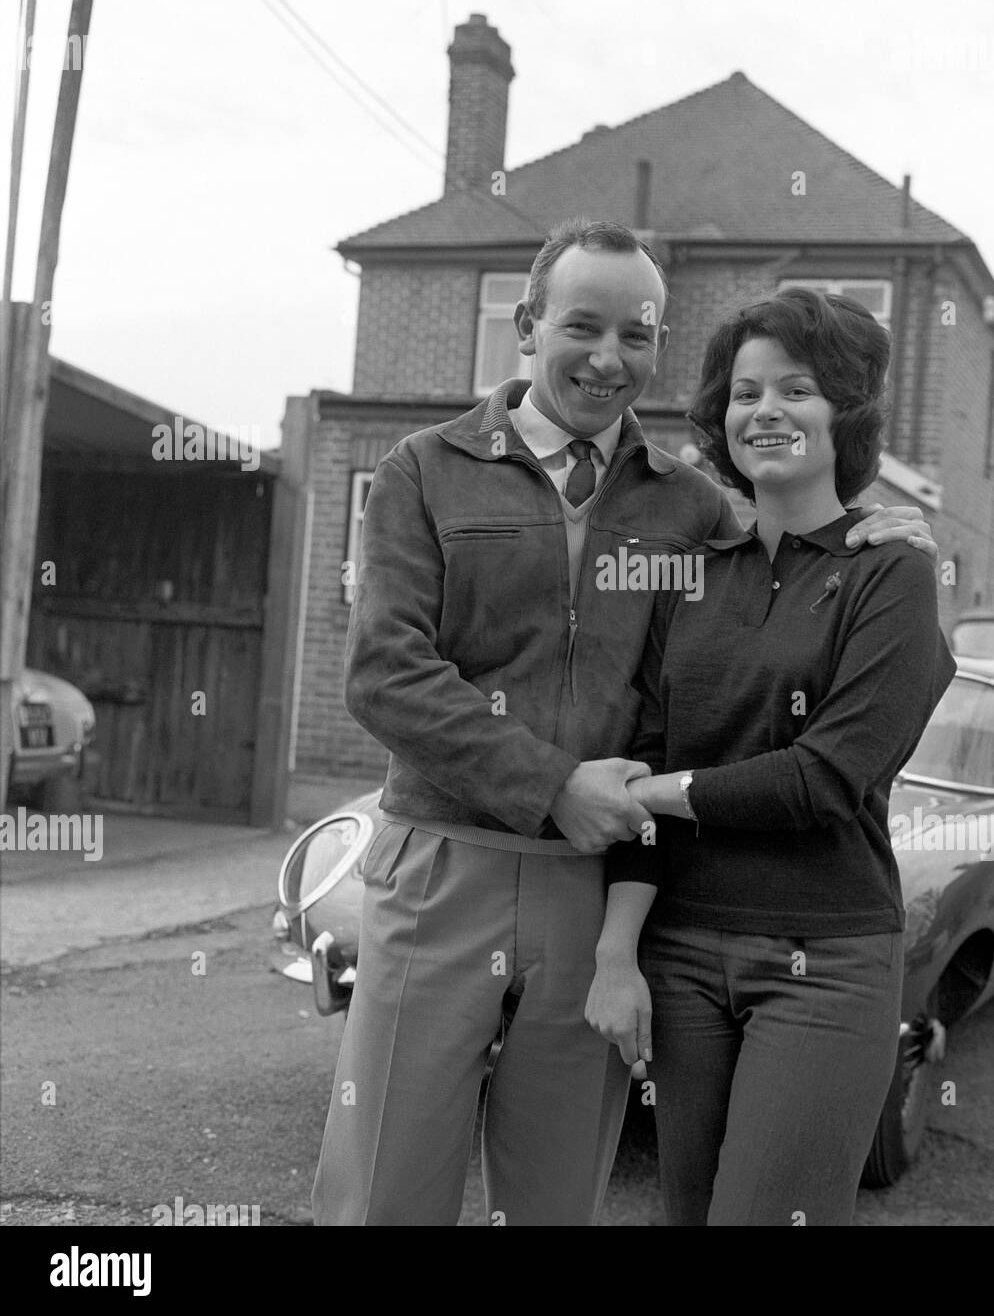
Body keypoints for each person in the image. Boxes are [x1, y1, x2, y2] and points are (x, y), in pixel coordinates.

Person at [312, 218, 937, 1227]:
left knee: (557, 1198)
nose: (609, 359)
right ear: (526, 326)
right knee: (384, 1192)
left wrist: (883, 527)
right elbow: (386, 674)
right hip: (441, 870)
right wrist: (551, 781)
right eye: (583, 326)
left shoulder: (693, 507)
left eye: (637, 335)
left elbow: (798, 541)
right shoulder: (421, 470)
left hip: (589, 886)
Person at [587, 286, 956, 1226]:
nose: (767, 412)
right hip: (680, 956)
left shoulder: (892, 572)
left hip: (824, 957)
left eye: (798, 390)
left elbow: (826, 779)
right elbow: (644, 747)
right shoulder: (694, 573)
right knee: (689, 1213)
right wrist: (617, 954)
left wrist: (657, 793)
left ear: (847, 414)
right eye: (746, 393)